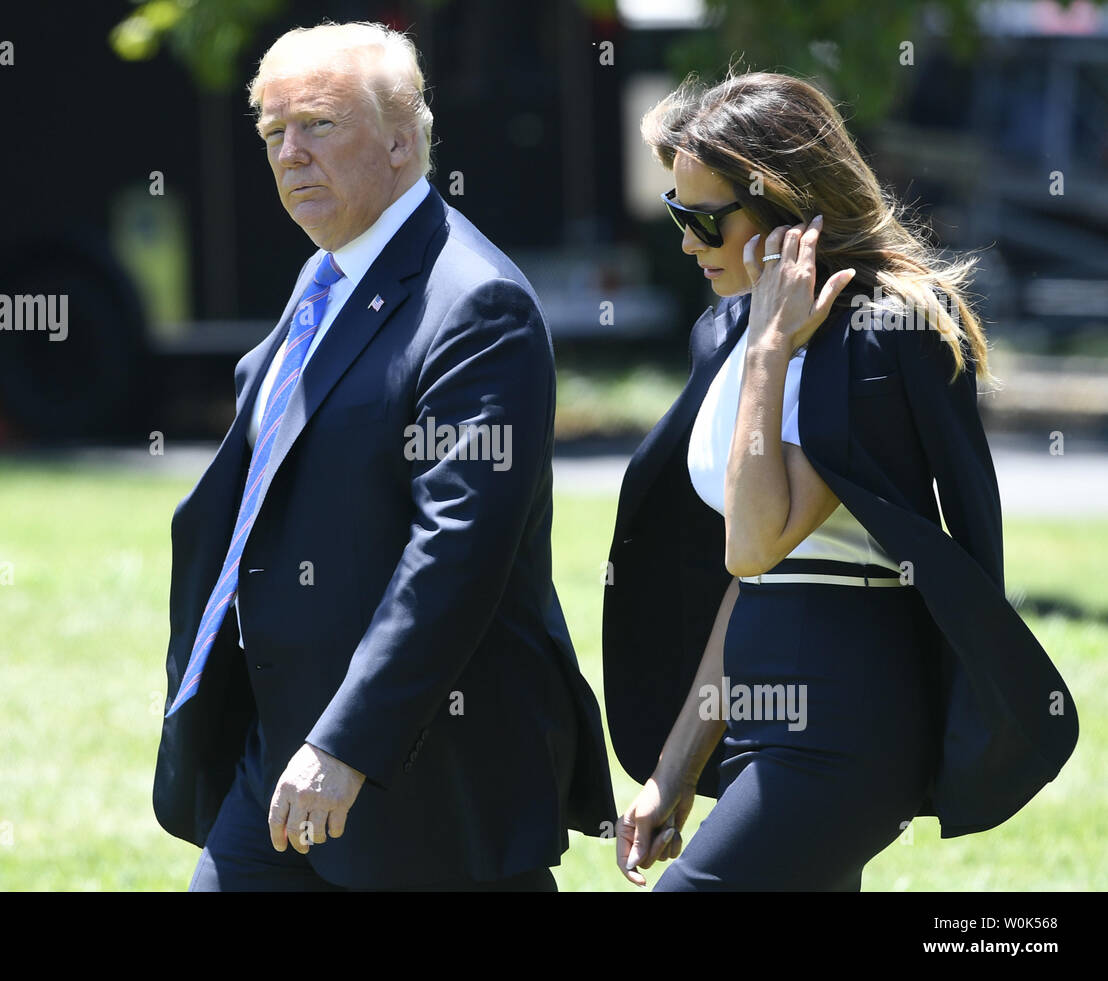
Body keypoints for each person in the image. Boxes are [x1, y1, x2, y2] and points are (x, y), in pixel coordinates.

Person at [151, 21, 615, 892]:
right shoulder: (327, 275)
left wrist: (345, 743)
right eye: (271, 133)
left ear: (403, 138)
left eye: (319, 125)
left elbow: (454, 557)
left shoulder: (476, 305)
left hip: (424, 770)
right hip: (279, 747)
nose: (289, 154)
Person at [603, 68, 1078, 890]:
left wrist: (768, 353)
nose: (685, 241)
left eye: (704, 219)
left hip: (845, 721)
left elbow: (754, 543)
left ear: (789, 210)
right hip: (766, 715)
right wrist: (673, 774)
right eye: (676, 214)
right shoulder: (736, 327)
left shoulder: (870, 337)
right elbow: (749, 584)